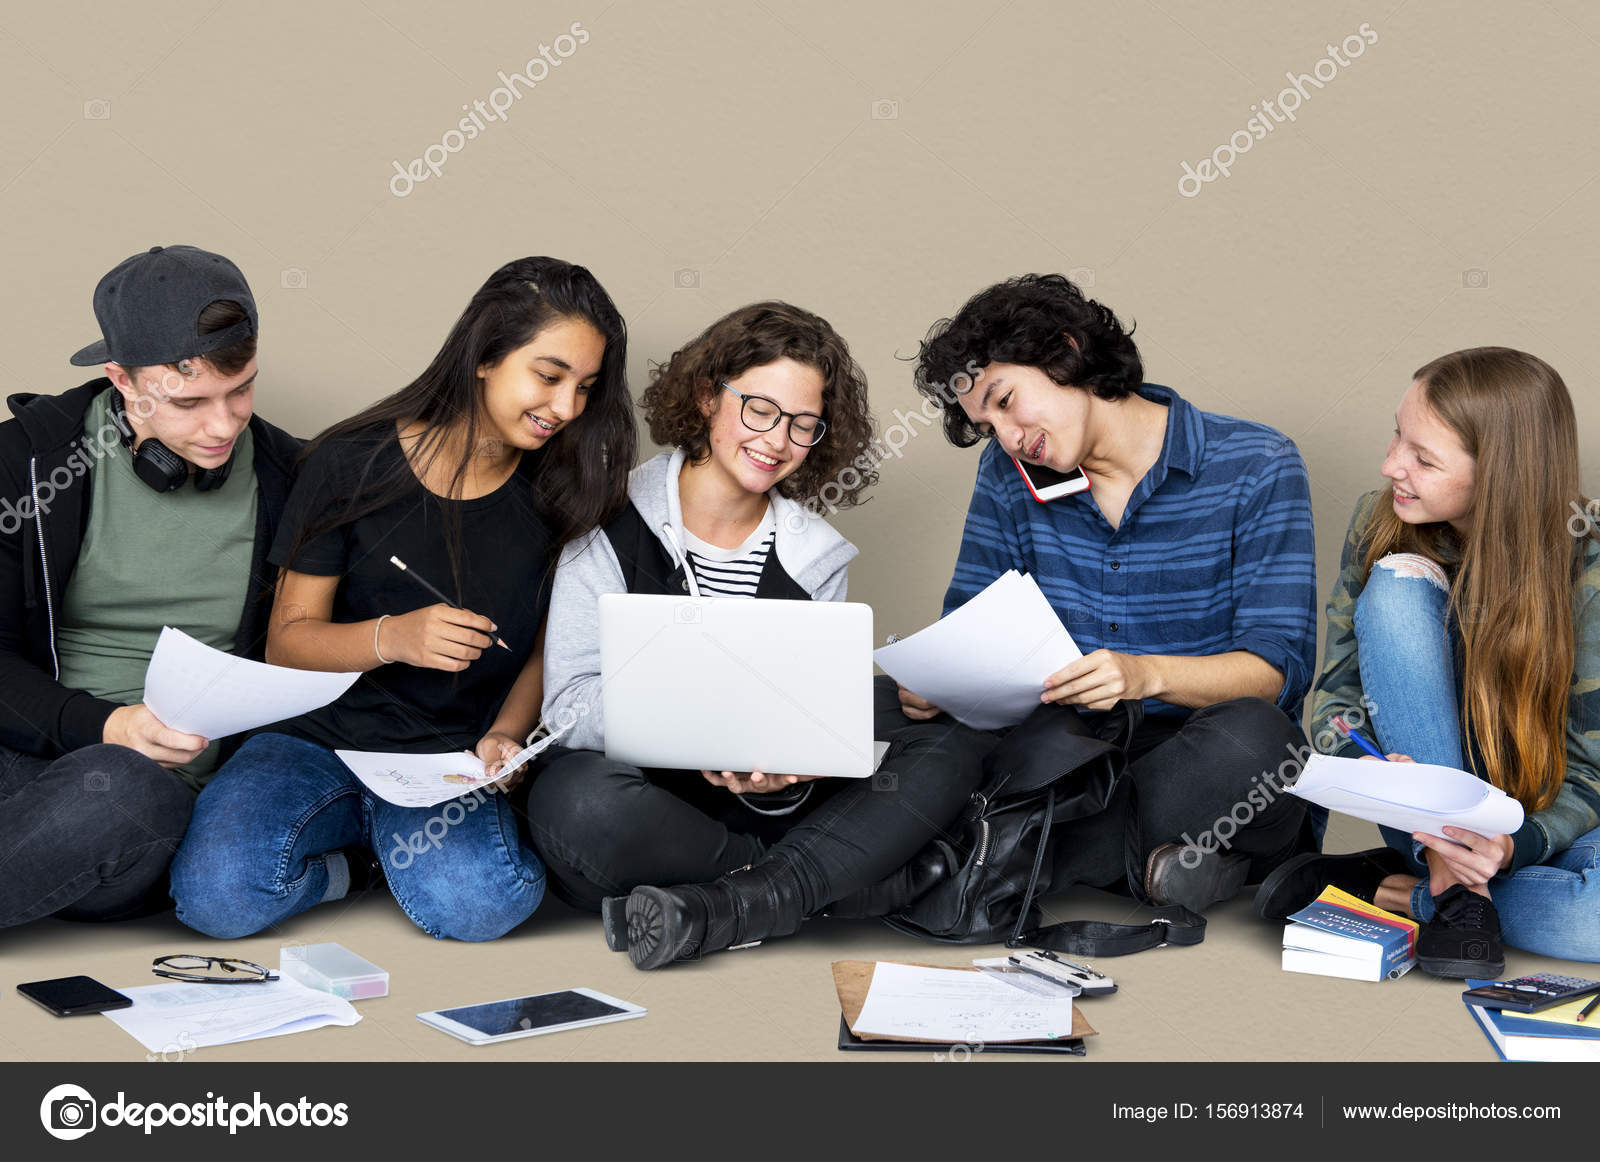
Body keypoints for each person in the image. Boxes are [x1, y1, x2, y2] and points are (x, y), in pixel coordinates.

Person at [169, 257, 636, 942]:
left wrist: (507, 732)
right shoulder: (350, 461)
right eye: (549, 375)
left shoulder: (562, 492)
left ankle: (392, 849)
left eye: (585, 388)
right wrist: (393, 637)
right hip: (314, 741)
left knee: (485, 904)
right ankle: (354, 871)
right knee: (216, 898)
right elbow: (288, 639)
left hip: (443, 761)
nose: (565, 408)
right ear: (485, 356)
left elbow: (549, 646)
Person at [529, 301, 992, 970]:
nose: (777, 441)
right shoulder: (605, 521)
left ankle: (734, 902)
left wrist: (798, 765)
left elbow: (804, 716)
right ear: (706, 396)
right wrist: (702, 729)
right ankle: (833, 885)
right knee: (576, 804)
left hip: (759, 807)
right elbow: (567, 707)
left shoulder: (818, 556)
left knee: (950, 736)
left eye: (804, 425)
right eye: (760, 410)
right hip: (644, 805)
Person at [896, 273, 1318, 913]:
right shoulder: (1009, 475)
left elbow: (1274, 671)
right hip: (1062, 754)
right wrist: (938, 679)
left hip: (1200, 755)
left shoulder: (1257, 463)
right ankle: (1148, 867)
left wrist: (1143, 675)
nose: (1009, 438)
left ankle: (986, 857)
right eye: (989, 427)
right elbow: (970, 626)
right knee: (877, 708)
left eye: (1006, 401)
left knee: (1261, 743)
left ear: (1065, 351)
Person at [1255, 347, 1600, 975]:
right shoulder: (1378, 521)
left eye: (1424, 458)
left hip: (1545, 819)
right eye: (1397, 434)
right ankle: (1450, 879)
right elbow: (1336, 703)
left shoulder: (1589, 570)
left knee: (1593, 917)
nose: (1392, 466)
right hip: (1424, 803)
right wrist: (1377, 768)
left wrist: (1510, 844)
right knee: (1397, 582)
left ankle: (1419, 894)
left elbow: (1591, 770)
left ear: (1500, 475)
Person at [0, 244, 300, 928]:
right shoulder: (23, 464)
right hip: (23, 752)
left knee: (122, 789)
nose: (224, 425)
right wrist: (103, 723)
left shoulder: (294, 480)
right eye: (189, 401)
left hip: (133, 801)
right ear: (122, 380)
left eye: (242, 389)